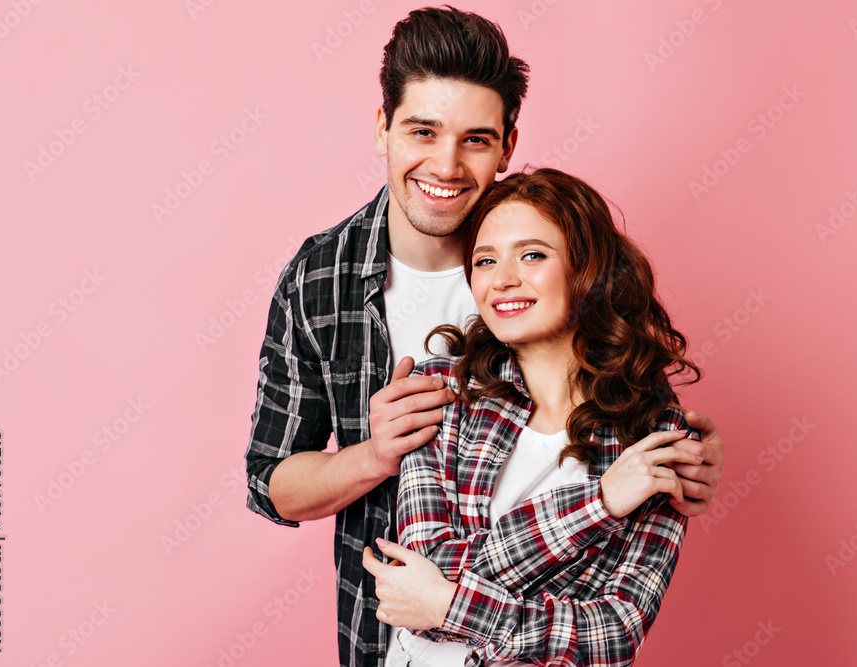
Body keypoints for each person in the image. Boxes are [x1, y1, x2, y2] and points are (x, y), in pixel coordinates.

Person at [244, 7, 725, 667]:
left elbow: (615, 619)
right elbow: (270, 481)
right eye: (422, 130)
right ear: (383, 128)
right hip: (384, 636)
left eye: (474, 138)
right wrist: (375, 456)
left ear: (507, 144)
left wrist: (685, 452)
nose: (446, 164)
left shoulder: (546, 244)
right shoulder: (319, 278)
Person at [363, 168, 702, 667]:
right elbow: (424, 569)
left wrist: (450, 605)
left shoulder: (658, 434)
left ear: (588, 268)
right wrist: (600, 504)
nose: (502, 280)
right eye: (485, 260)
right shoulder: (438, 390)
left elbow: (614, 635)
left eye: (533, 255)